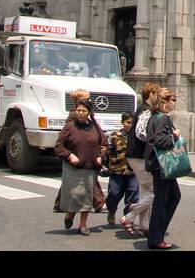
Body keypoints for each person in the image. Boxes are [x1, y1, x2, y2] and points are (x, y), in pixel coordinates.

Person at [55, 97, 106, 236]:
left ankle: (83, 225)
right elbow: (58, 146)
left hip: (90, 167)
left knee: (87, 197)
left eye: (84, 110)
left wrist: (101, 156)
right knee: (75, 195)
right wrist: (70, 155)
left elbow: (104, 144)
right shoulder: (69, 127)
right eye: (78, 110)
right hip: (73, 167)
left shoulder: (95, 127)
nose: (81, 113)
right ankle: (70, 215)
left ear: (89, 112)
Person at [144, 90, 182, 249]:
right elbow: (160, 141)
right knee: (163, 200)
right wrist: (174, 136)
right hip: (162, 165)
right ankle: (155, 237)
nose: (175, 102)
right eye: (173, 99)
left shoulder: (155, 117)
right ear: (164, 101)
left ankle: (156, 234)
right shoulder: (162, 118)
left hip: (159, 165)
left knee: (173, 196)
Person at [104, 113, 140, 231]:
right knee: (114, 193)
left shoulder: (138, 137)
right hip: (116, 172)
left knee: (133, 196)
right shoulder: (114, 136)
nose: (130, 125)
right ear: (122, 122)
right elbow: (107, 152)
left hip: (133, 172)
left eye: (132, 123)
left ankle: (127, 219)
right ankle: (111, 210)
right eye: (127, 122)